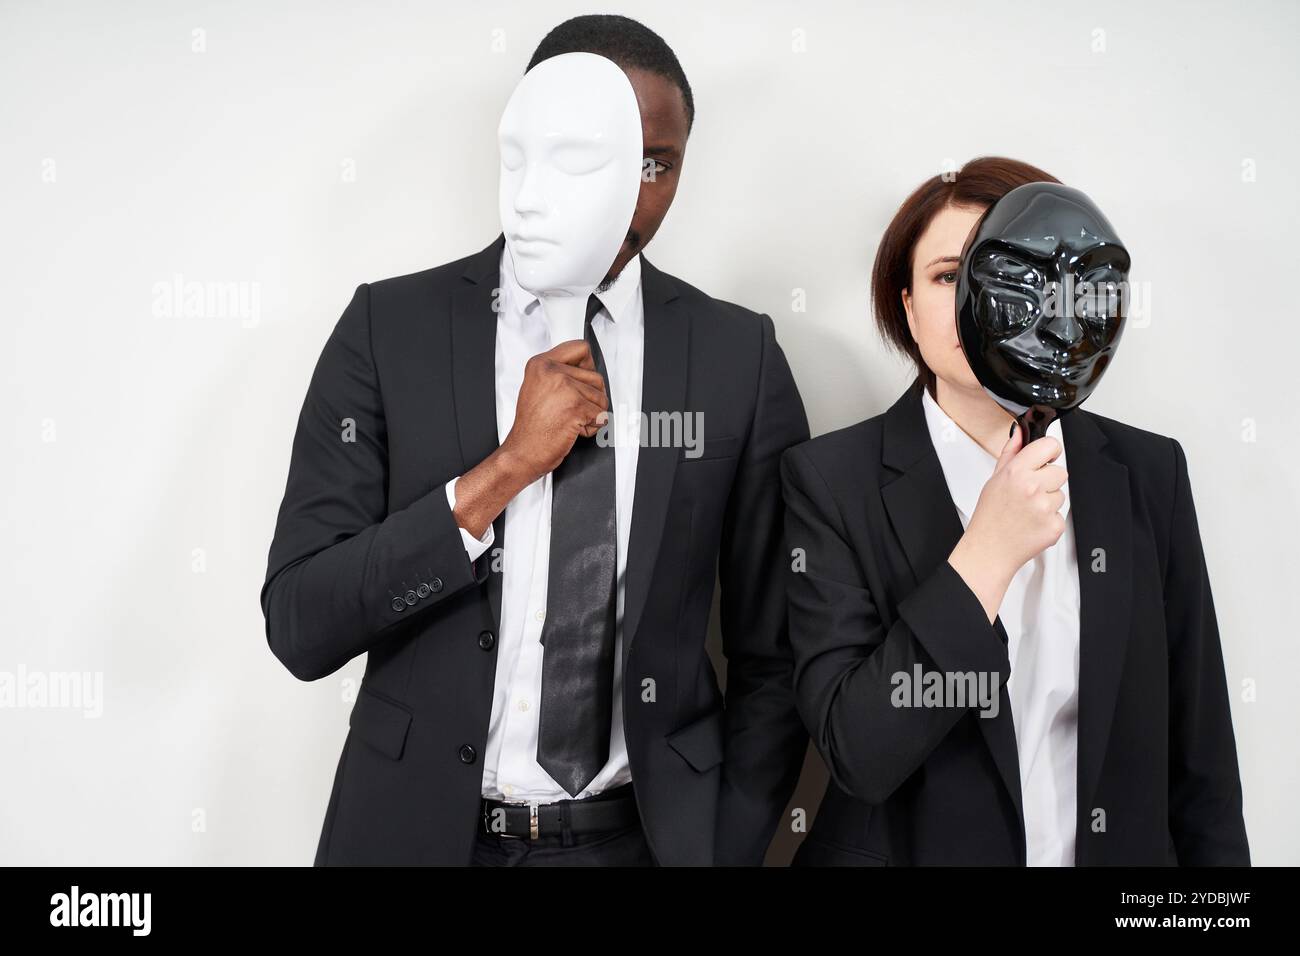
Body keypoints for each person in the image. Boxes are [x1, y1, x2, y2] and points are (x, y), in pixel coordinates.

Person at [261, 14, 809, 866]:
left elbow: (774, 657)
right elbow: (301, 623)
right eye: (589, 155)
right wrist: (505, 471)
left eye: (655, 165)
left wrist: (724, 843)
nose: (630, 195)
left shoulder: (739, 357)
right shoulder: (389, 328)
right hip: (416, 838)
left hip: (637, 843)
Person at [780, 156, 1249, 865]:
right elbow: (859, 751)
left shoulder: (1148, 475)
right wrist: (984, 559)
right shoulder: (829, 481)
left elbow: (1201, 758)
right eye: (948, 275)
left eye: (1018, 275)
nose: (985, 303)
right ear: (904, 302)